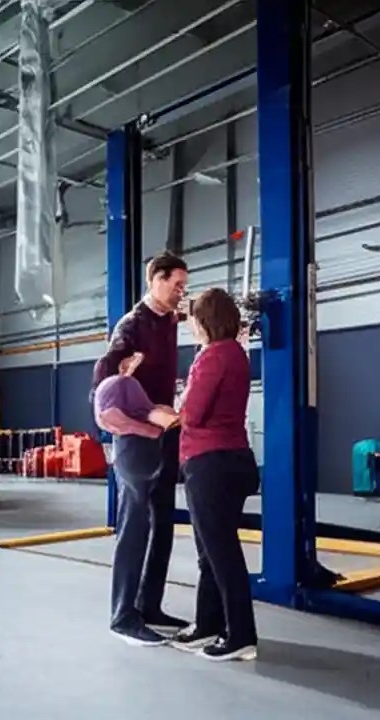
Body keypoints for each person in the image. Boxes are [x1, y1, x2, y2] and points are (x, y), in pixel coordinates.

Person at [91, 252, 190, 646]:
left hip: (164, 434)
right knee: (135, 525)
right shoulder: (131, 326)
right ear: (155, 279)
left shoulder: (168, 322)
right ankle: (123, 615)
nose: (181, 292)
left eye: (184, 285)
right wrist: (140, 411)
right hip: (135, 438)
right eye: (176, 284)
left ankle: (150, 605)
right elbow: (103, 386)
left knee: (162, 521)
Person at [170, 288, 260, 662]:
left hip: (210, 463)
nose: (190, 326)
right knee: (211, 551)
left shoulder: (212, 357)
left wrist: (180, 400)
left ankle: (239, 635)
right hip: (233, 458)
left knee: (220, 553)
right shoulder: (236, 353)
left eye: (192, 318)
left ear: (203, 320)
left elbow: (191, 415)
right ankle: (207, 623)